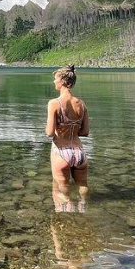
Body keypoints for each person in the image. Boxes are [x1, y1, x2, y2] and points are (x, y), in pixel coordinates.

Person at [46, 64, 89, 213]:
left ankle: (66, 217)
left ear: (63, 81)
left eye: (55, 79)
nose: (54, 82)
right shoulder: (82, 104)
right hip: (79, 152)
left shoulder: (54, 103)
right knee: (83, 185)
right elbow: (85, 131)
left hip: (61, 152)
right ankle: (83, 208)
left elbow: (50, 132)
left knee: (60, 190)